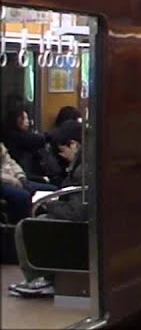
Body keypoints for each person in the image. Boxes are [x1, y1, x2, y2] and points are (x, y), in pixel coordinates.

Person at [9, 120, 87, 299]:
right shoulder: (84, 164)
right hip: (83, 219)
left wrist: (49, 204)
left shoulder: (82, 170)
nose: (63, 155)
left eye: (63, 150)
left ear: (73, 145)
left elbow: (76, 212)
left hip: (80, 224)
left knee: (26, 226)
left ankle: (39, 277)